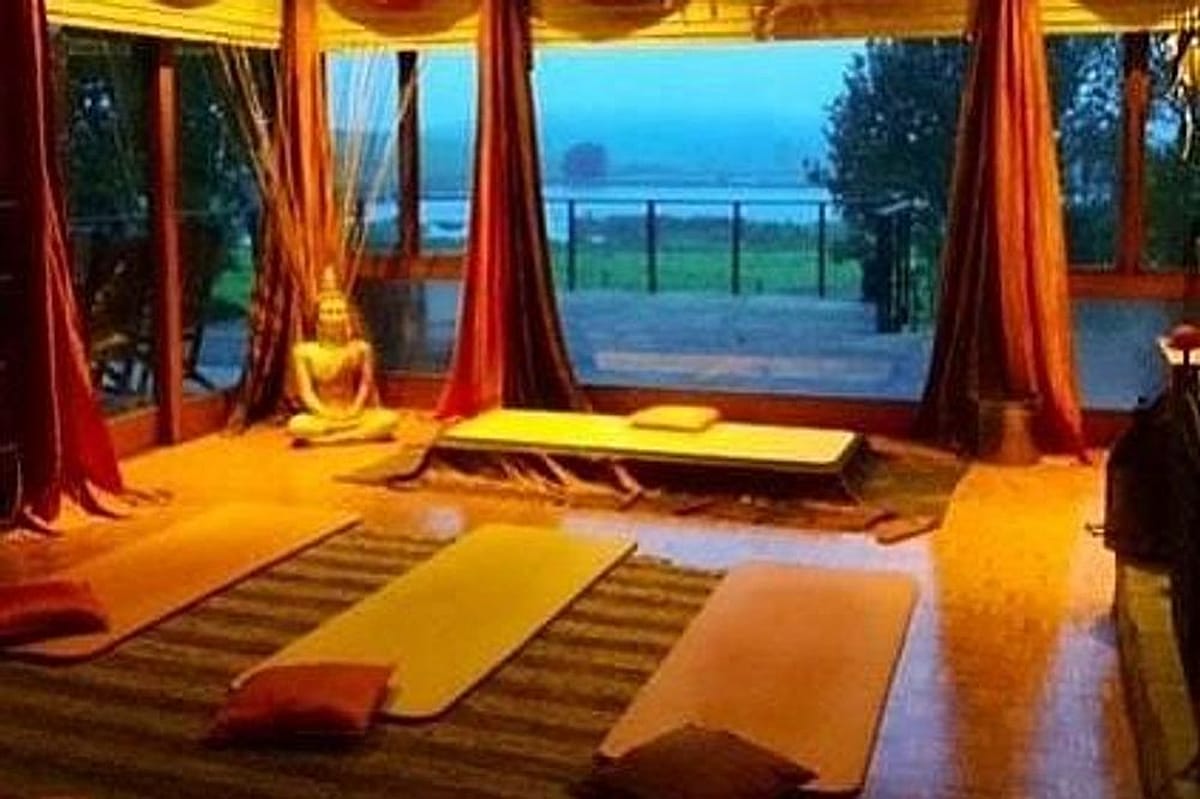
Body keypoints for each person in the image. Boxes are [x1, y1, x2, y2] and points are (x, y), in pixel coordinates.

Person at [287, 268, 398, 445]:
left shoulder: (361, 348)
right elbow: (306, 394)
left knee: (389, 419)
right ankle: (351, 436)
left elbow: (365, 386)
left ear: (347, 316)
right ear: (318, 319)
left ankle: (333, 440)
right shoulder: (304, 351)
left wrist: (354, 410)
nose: (334, 317)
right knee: (297, 425)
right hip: (323, 415)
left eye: (339, 312)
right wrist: (325, 413)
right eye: (328, 312)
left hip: (353, 413)